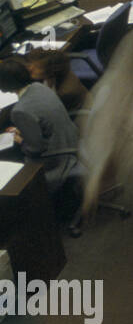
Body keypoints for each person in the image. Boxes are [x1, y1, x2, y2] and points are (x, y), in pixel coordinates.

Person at [0, 58, 83, 230]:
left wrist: (21, 140)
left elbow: (36, 149)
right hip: (71, 141)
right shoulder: (39, 88)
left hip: (57, 158)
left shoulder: (20, 110)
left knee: (11, 161)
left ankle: (35, 218)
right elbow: (44, 124)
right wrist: (25, 130)